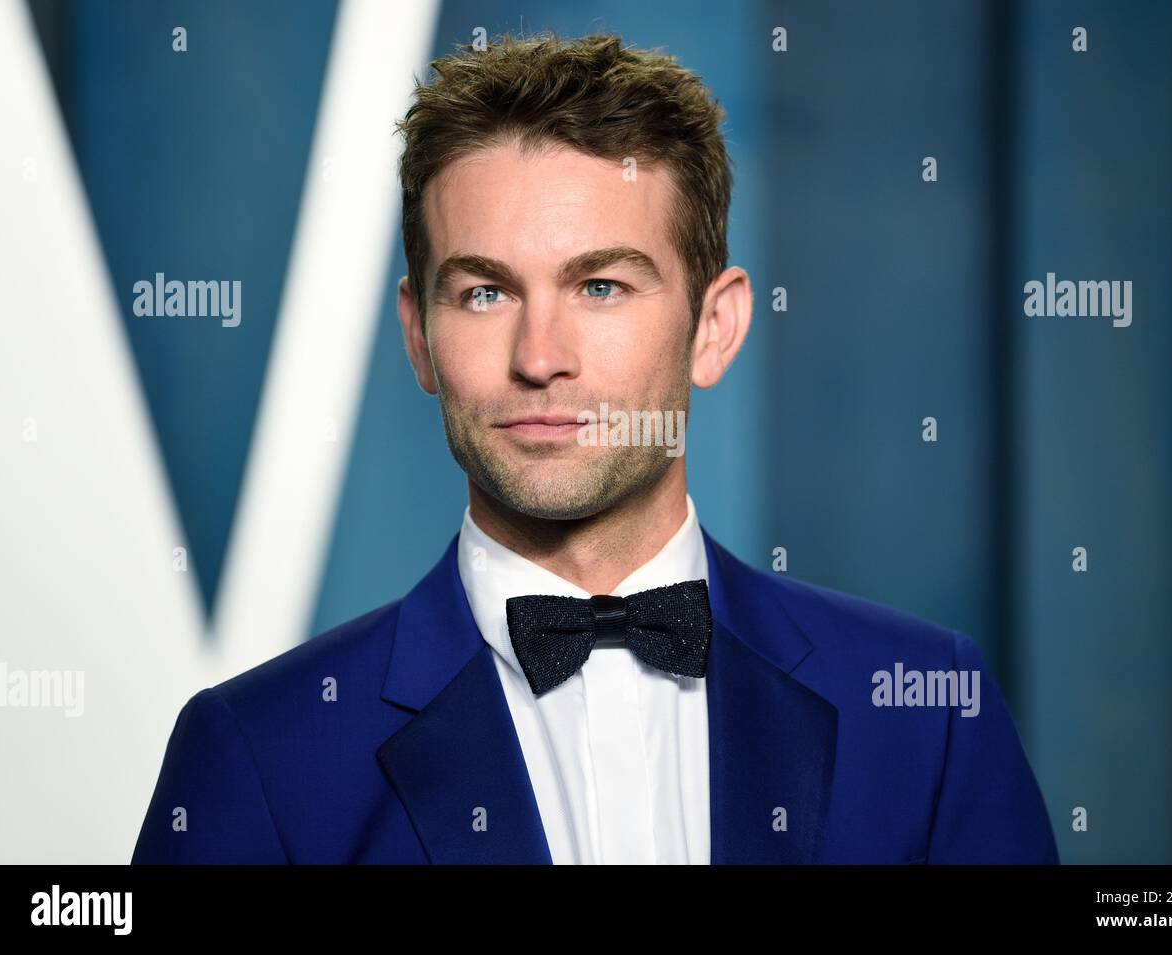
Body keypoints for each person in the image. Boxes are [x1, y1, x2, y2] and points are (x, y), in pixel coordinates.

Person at [132, 31, 1058, 865]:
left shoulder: (927, 712)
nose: (540, 359)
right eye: (485, 293)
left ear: (715, 326)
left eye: (603, 287)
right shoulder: (259, 753)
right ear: (418, 335)